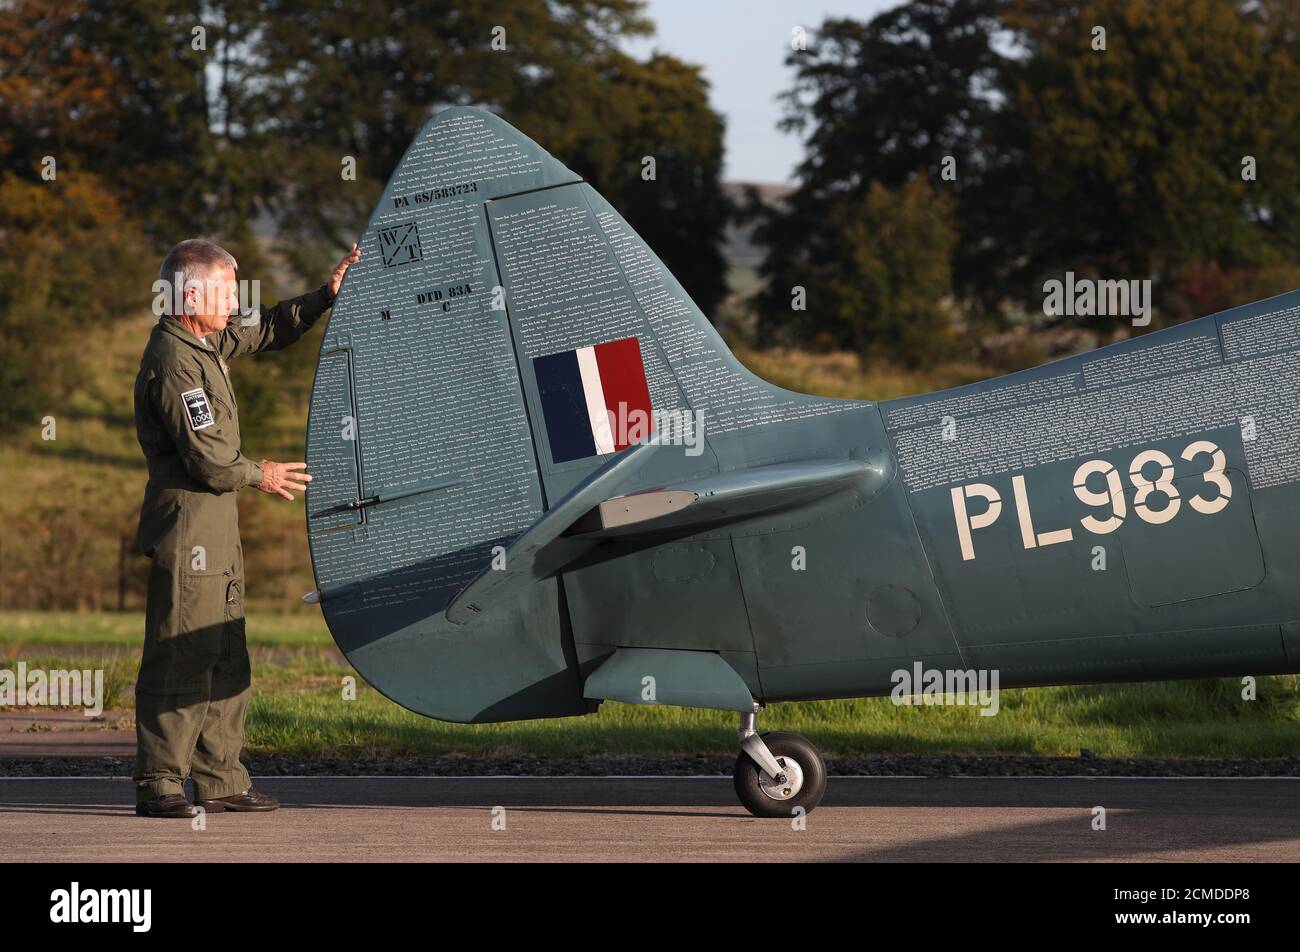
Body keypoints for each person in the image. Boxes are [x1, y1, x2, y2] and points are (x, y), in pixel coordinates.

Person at [131, 238, 360, 818]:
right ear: (190, 294)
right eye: (226, 293)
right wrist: (263, 473)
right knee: (181, 652)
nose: (234, 305)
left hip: (217, 523)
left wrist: (324, 297)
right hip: (189, 523)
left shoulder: (203, 342)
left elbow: (265, 331)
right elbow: (207, 459)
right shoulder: (174, 362)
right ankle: (159, 784)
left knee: (225, 651)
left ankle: (220, 780)